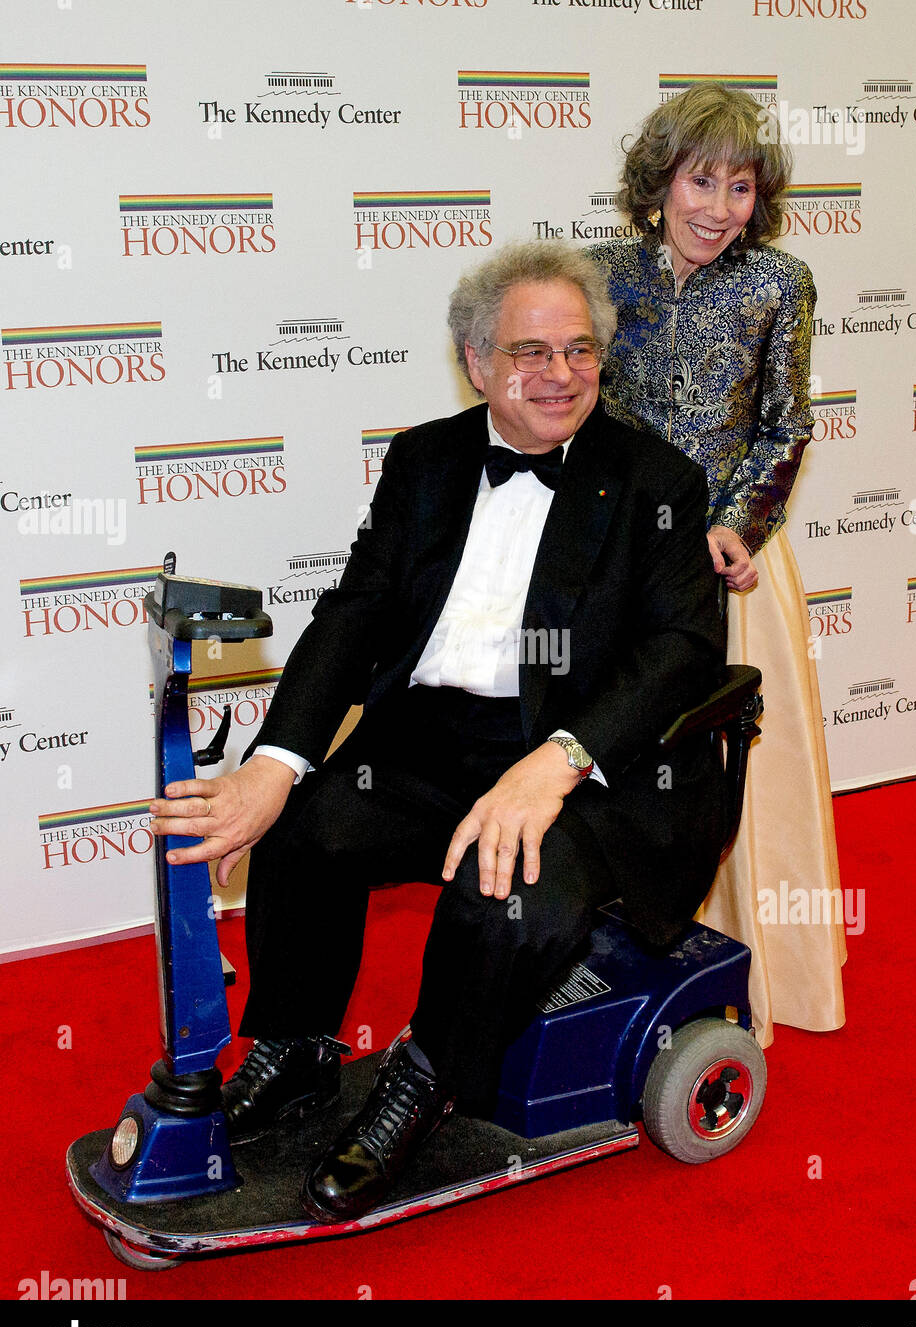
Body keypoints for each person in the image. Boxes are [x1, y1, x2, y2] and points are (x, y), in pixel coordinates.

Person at [148, 241, 727, 1223]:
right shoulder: (427, 460)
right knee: (303, 829)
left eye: (579, 350)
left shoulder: (655, 482)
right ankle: (293, 1049)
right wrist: (278, 763)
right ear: (477, 362)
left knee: (503, 895)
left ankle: (424, 1079)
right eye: (530, 353)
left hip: (584, 760)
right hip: (431, 737)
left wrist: (557, 762)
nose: (560, 374)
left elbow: (679, 649)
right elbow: (357, 611)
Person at [586, 83, 845, 1048]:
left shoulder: (780, 282)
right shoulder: (600, 274)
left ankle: (757, 964)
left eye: (740, 187)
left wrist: (733, 526)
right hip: (618, 561)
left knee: (736, 768)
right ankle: (604, 949)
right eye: (702, 179)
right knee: (614, 752)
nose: (718, 206)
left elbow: (786, 425)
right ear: (659, 182)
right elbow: (579, 415)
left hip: (736, 564)